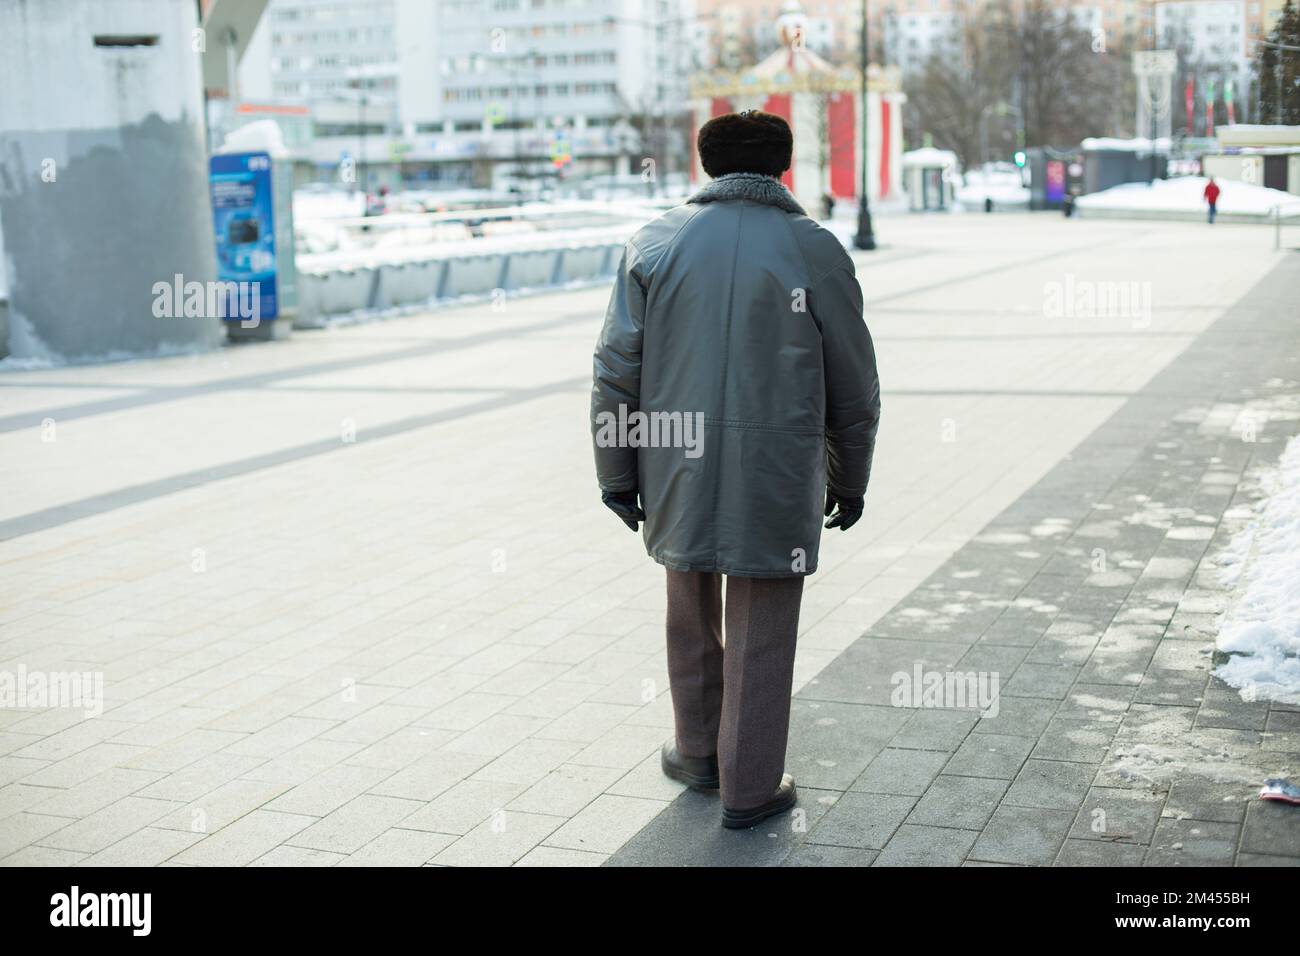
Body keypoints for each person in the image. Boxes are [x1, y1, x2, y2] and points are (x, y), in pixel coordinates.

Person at [590, 110, 881, 829]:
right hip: (775, 471)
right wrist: (851, 478)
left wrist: (616, 471)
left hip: (673, 463)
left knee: (687, 606)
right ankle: (748, 787)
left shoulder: (655, 242)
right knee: (763, 626)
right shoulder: (813, 248)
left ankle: (695, 752)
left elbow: (614, 370)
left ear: (706, 163)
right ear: (783, 166)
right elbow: (855, 384)